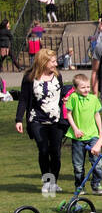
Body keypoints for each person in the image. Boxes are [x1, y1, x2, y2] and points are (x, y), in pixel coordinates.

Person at [14, 48, 68, 192]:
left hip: (56, 120)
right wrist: (18, 119)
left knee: (55, 152)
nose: (56, 64)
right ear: (44, 62)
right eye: (53, 61)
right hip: (37, 120)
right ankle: (47, 181)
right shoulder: (29, 78)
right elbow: (24, 100)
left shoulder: (58, 76)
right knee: (43, 150)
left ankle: (54, 182)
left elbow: (62, 95)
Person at [66, 72, 102, 194]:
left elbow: (97, 115)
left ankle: (96, 185)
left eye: (88, 87)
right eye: (83, 87)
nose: (86, 89)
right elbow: (69, 114)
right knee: (78, 166)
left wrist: (100, 132)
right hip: (78, 137)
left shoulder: (93, 98)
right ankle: (80, 186)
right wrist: (76, 129)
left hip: (93, 135)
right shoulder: (73, 98)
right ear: (75, 88)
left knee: (97, 162)